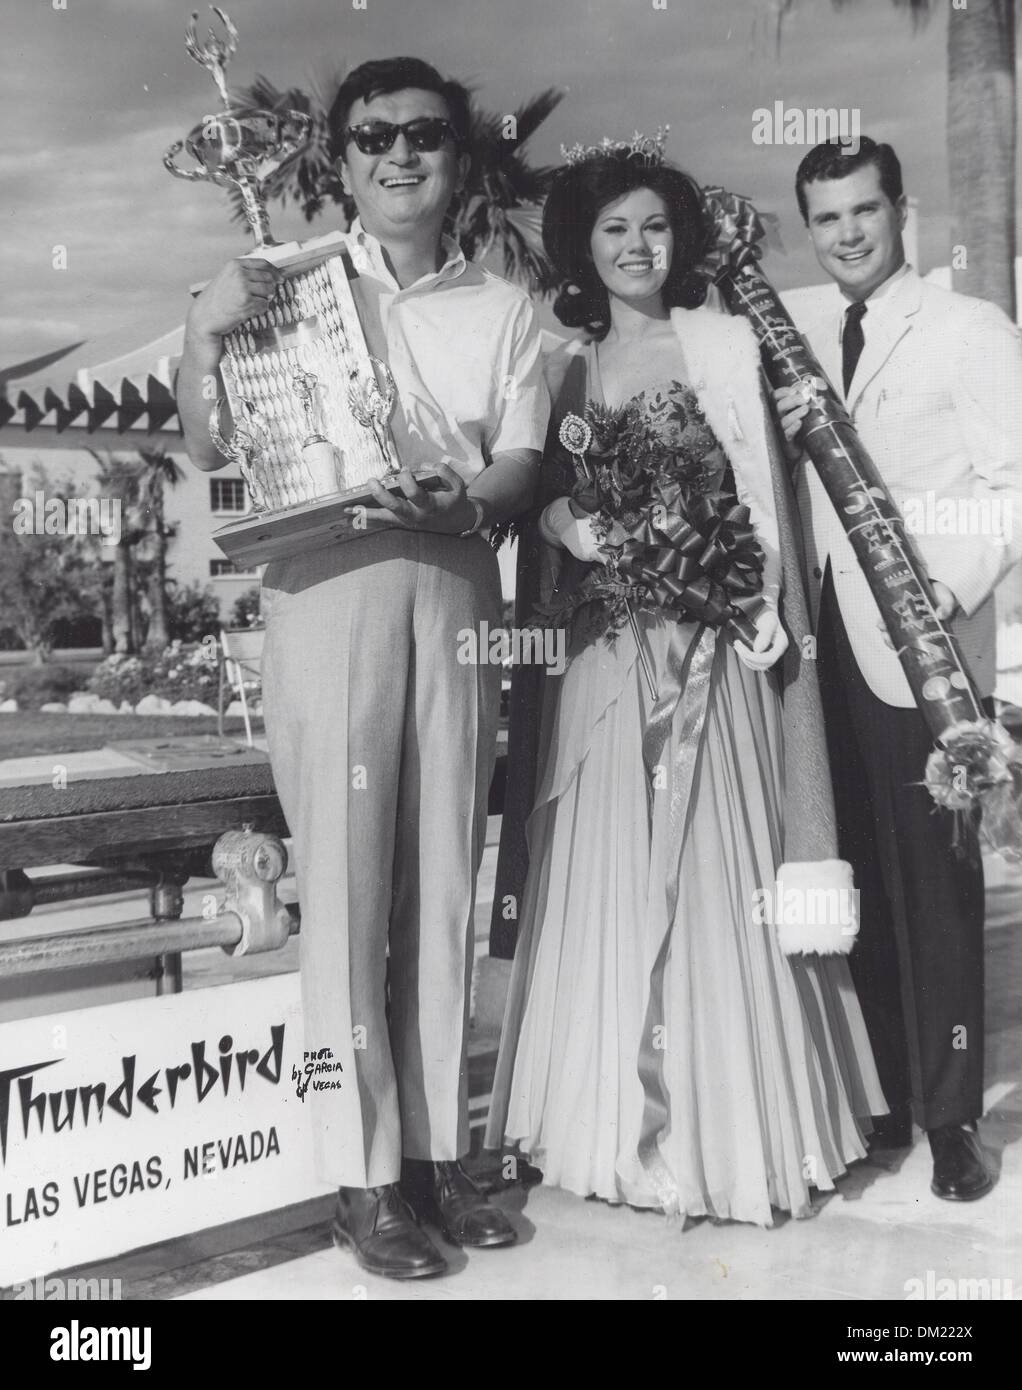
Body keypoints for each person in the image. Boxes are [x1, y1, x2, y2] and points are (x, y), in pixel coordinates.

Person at [176, 57, 549, 1279]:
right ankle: (361, 1178)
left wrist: (467, 493)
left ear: (460, 156)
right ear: (336, 163)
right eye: (374, 137)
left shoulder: (503, 309)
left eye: (426, 136)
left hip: (448, 592)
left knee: (442, 878)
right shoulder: (274, 289)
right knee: (339, 901)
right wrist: (200, 331)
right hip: (324, 601)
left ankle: (439, 1156)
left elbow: (519, 469)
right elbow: (212, 446)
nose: (401, 156)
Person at [485, 140, 886, 1226]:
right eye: (612, 229)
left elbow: (766, 500)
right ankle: (611, 1134)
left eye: (651, 227)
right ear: (581, 245)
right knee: (610, 876)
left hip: (713, 654)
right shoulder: (564, 367)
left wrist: (739, 590)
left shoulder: (723, 348)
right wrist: (567, 519)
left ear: (679, 239)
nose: (633, 246)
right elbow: (542, 500)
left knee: (724, 882)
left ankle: (726, 1136)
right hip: (610, 663)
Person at [774, 137, 1022, 1201]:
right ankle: (878, 1102)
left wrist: (945, 589)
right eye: (824, 217)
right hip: (813, 643)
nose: (845, 234)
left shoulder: (967, 328)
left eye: (861, 211)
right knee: (853, 884)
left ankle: (954, 1116)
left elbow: (1014, 484)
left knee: (934, 883)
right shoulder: (790, 330)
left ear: (899, 209)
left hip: (919, 648)